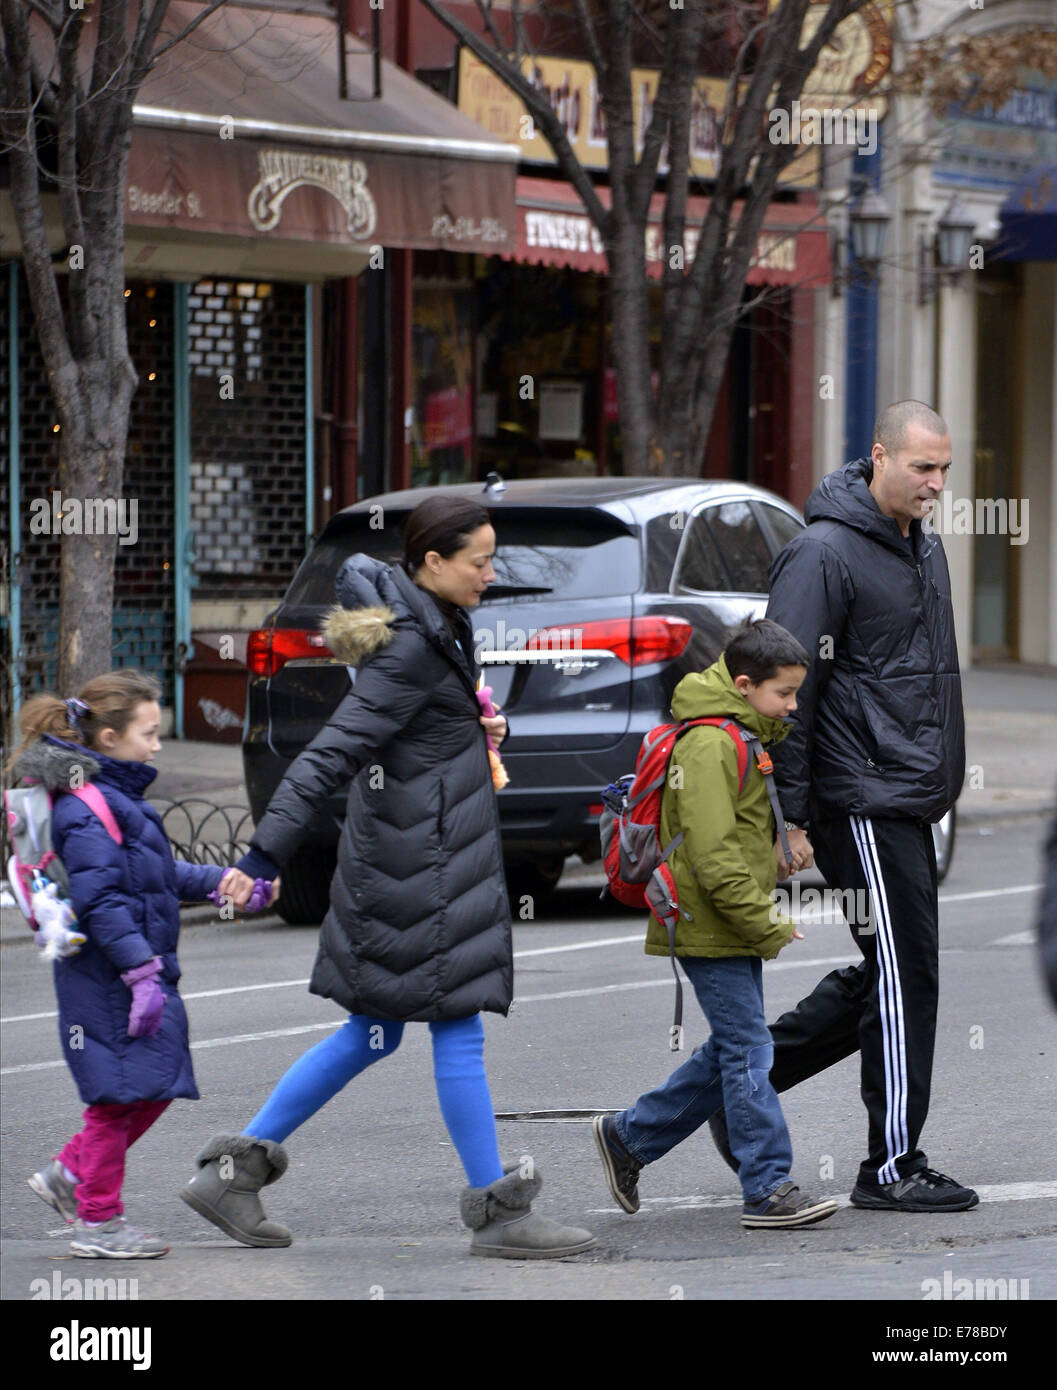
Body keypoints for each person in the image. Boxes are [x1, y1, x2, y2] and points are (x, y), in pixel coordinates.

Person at [180, 495, 595, 1259]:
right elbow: (330, 753)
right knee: (456, 1029)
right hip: (423, 870)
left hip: (413, 860)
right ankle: (500, 1215)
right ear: (432, 563)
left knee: (370, 1034)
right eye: (479, 560)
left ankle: (231, 1176)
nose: (490, 573)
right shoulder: (410, 646)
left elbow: (416, 730)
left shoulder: (430, 629)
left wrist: (473, 728)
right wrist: (262, 856)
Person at [709, 400, 977, 1212]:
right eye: (920, 467)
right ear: (877, 456)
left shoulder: (919, 549)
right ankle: (890, 1166)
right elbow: (787, 695)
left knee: (890, 974)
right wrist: (788, 811)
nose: (933, 484)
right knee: (906, 977)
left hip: (907, 797)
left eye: (944, 470)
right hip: (855, 797)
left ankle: (738, 1088)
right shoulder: (820, 553)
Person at [593, 619, 839, 1229]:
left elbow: (736, 835)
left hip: (724, 919)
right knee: (751, 1050)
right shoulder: (709, 744)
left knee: (733, 1047)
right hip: (708, 920)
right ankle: (767, 1186)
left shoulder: (741, 733)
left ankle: (629, 1137)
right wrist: (767, 921)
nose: (792, 705)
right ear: (746, 683)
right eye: (784, 694)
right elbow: (710, 853)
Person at [12, 672, 267, 1258]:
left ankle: (69, 1175)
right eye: (149, 734)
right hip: (109, 978)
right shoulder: (86, 806)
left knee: (150, 1086)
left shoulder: (118, 799)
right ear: (107, 736)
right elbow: (100, 901)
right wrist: (138, 971)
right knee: (116, 1099)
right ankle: (98, 1223)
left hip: (132, 973)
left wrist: (226, 886)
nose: (158, 745)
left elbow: (156, 874)